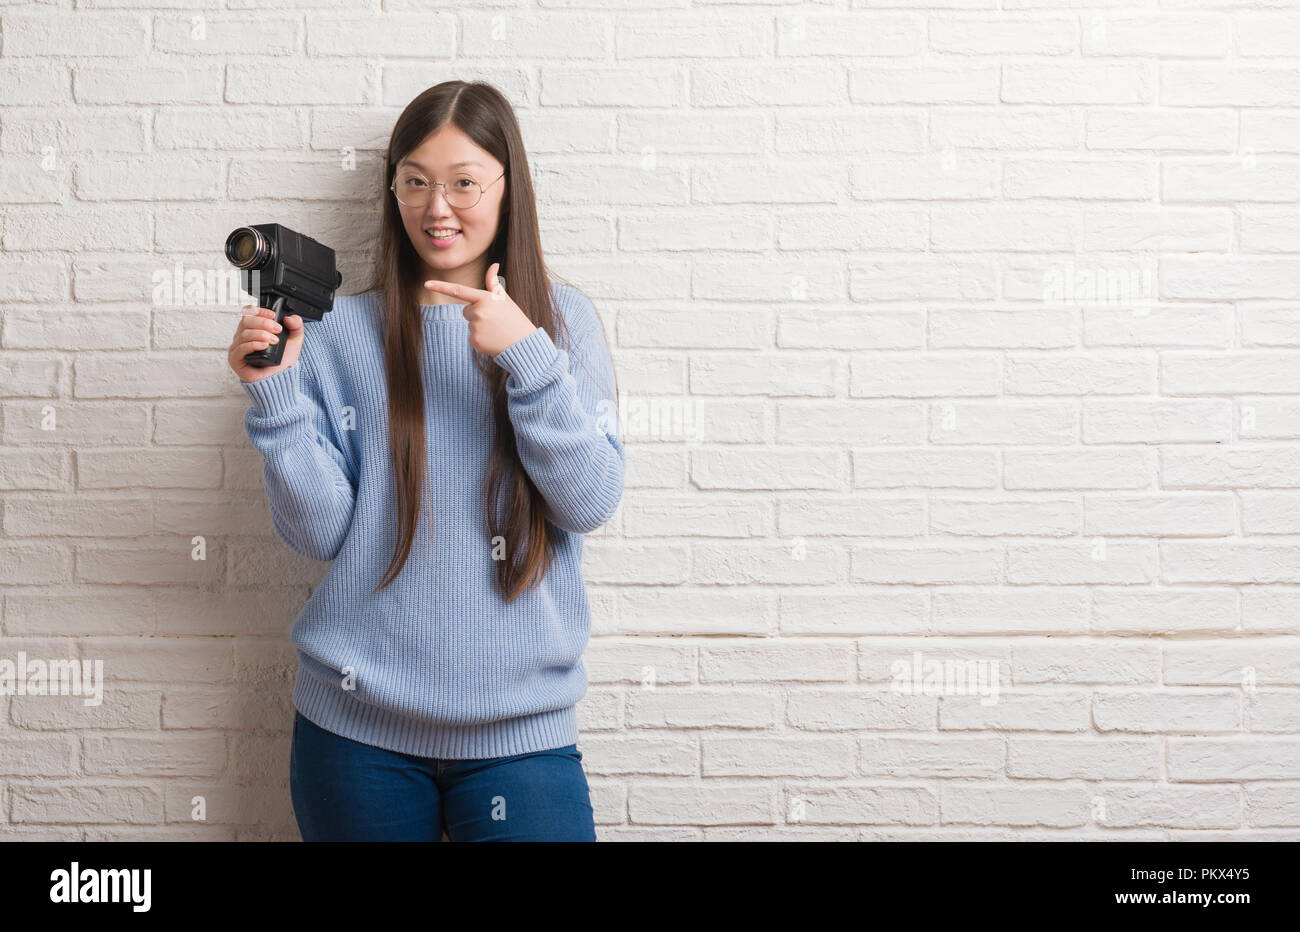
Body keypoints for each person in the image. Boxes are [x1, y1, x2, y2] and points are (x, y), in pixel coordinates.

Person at [226, 80, 623, 842]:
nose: (437, 209)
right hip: (356, 733)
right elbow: (320, 535)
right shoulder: (342, 334)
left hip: (521, 737)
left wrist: (529, 361)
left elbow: (590, 501)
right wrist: (275, 399)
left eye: (464, 183)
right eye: (415, 182)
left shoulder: (562, 323)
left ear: (510, 189)